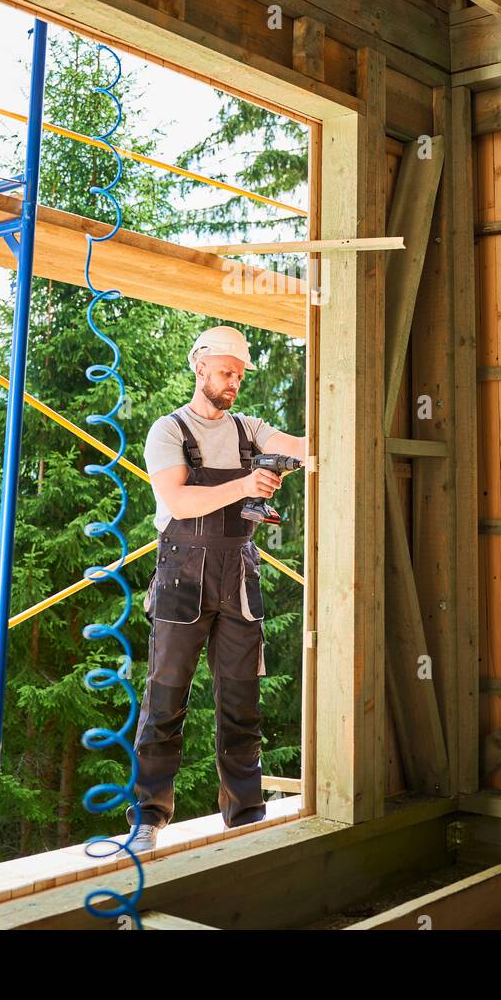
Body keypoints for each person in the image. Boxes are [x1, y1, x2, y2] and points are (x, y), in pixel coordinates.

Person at [126, 326, 306, 854]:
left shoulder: (250, 428)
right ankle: (148, 816)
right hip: (182, 574)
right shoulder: (168, 430)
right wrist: (246, 486)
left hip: (238, 574)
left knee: (241, 702)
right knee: (166, 699)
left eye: (240, 374)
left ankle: (246, 816)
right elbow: (179, 503)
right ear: (200, 367)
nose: (234, 383)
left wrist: (318, 438)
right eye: (226, 373)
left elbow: (298, 447)